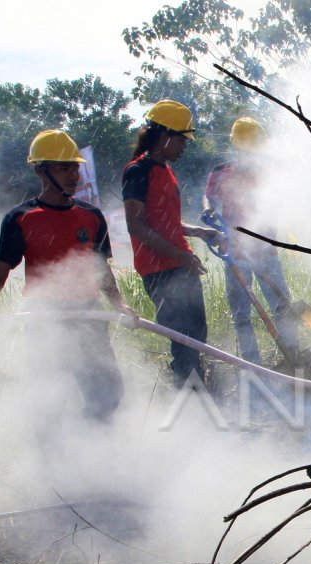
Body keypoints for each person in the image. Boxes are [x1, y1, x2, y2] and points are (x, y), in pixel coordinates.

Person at [0, 129, 135, 422]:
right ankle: (51, 460)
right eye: (64, 167)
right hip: (44, 319)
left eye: (75, 167)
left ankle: (94, 449)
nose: (74, 175)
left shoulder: (91, 216)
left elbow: (101, 268)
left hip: (89, 316)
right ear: (41, 170)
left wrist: (119, 305)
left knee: (107, 393)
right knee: (48, 399)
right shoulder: (21, 218)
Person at [122, 100, 222, 388]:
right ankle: (190, 403)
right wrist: (181, 255)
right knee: (183, 339)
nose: (184, 146)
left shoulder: (165, 171)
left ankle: (197, 391)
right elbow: (136, 224)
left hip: (181, 265)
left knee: (197, 337)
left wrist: (199, 232)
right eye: (182, 140)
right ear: (165, 137)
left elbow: (165, 223)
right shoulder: (137, 171)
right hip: (161, 271)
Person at [202, 116, 300, 365]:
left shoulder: (268, 172)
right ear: (237, 146)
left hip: (265, 250)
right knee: (241, 315)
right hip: (234, 252)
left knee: (281, 305)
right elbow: (209, 198)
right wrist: (209, 210)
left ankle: (293, 355)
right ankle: (251, 364)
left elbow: (279, 201)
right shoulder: (220, 171)